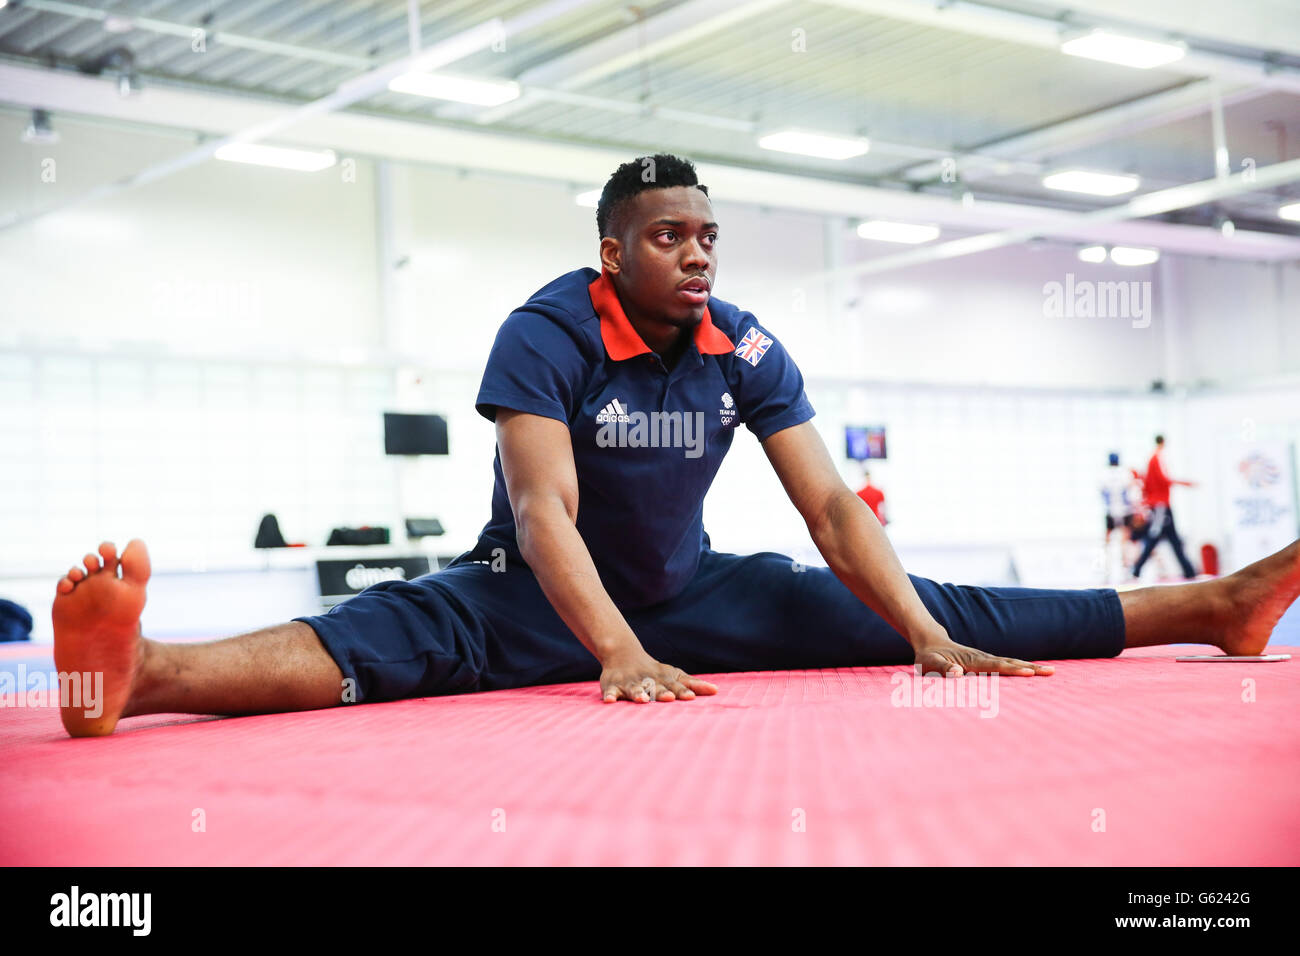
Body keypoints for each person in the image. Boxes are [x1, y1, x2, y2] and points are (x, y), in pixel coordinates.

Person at [51, 154, 1300, 738]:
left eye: (707, 232)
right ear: (613, 251)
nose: (697, 251)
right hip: (535, 599)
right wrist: (619, 651)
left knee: (946, 606)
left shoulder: (741, 343)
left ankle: (1217, 602)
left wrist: (918, 631)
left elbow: (830, 510)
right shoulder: (544, 332)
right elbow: (541, 515)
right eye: (668, 235)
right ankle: (140, 674)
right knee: (383, 638)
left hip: (700, 592)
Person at [1131, 435, 1198, 580]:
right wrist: (1184, 483)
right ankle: (1136, 569)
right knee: (1154, 537)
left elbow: (1149, 481)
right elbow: (1161, 480)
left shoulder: (1154, 459)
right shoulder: (1156, 459)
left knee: (1173, 539)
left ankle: (1189, 571)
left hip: (1162, 504)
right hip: (1160, 504)